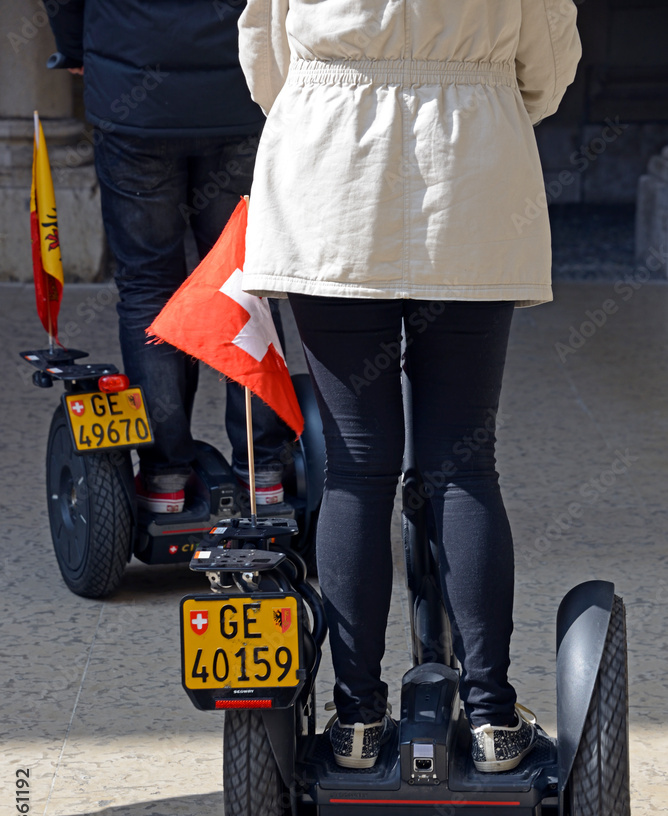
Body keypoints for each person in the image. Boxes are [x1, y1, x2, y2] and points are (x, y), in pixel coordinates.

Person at [238, 0, 581, 769]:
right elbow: (550, 66)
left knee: (357, 467)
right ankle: (492, 719)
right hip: (472, 180)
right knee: (463, 463)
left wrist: (333, 96)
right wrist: (474, 91)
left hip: (332, 184)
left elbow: (264, 57)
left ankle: (356, 720)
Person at [47, 0, 290, 514]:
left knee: (147, 290)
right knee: (245, 279)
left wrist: (73, 43)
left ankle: (166, 479)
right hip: (236, 93)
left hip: (133, 99)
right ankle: (263, 472)